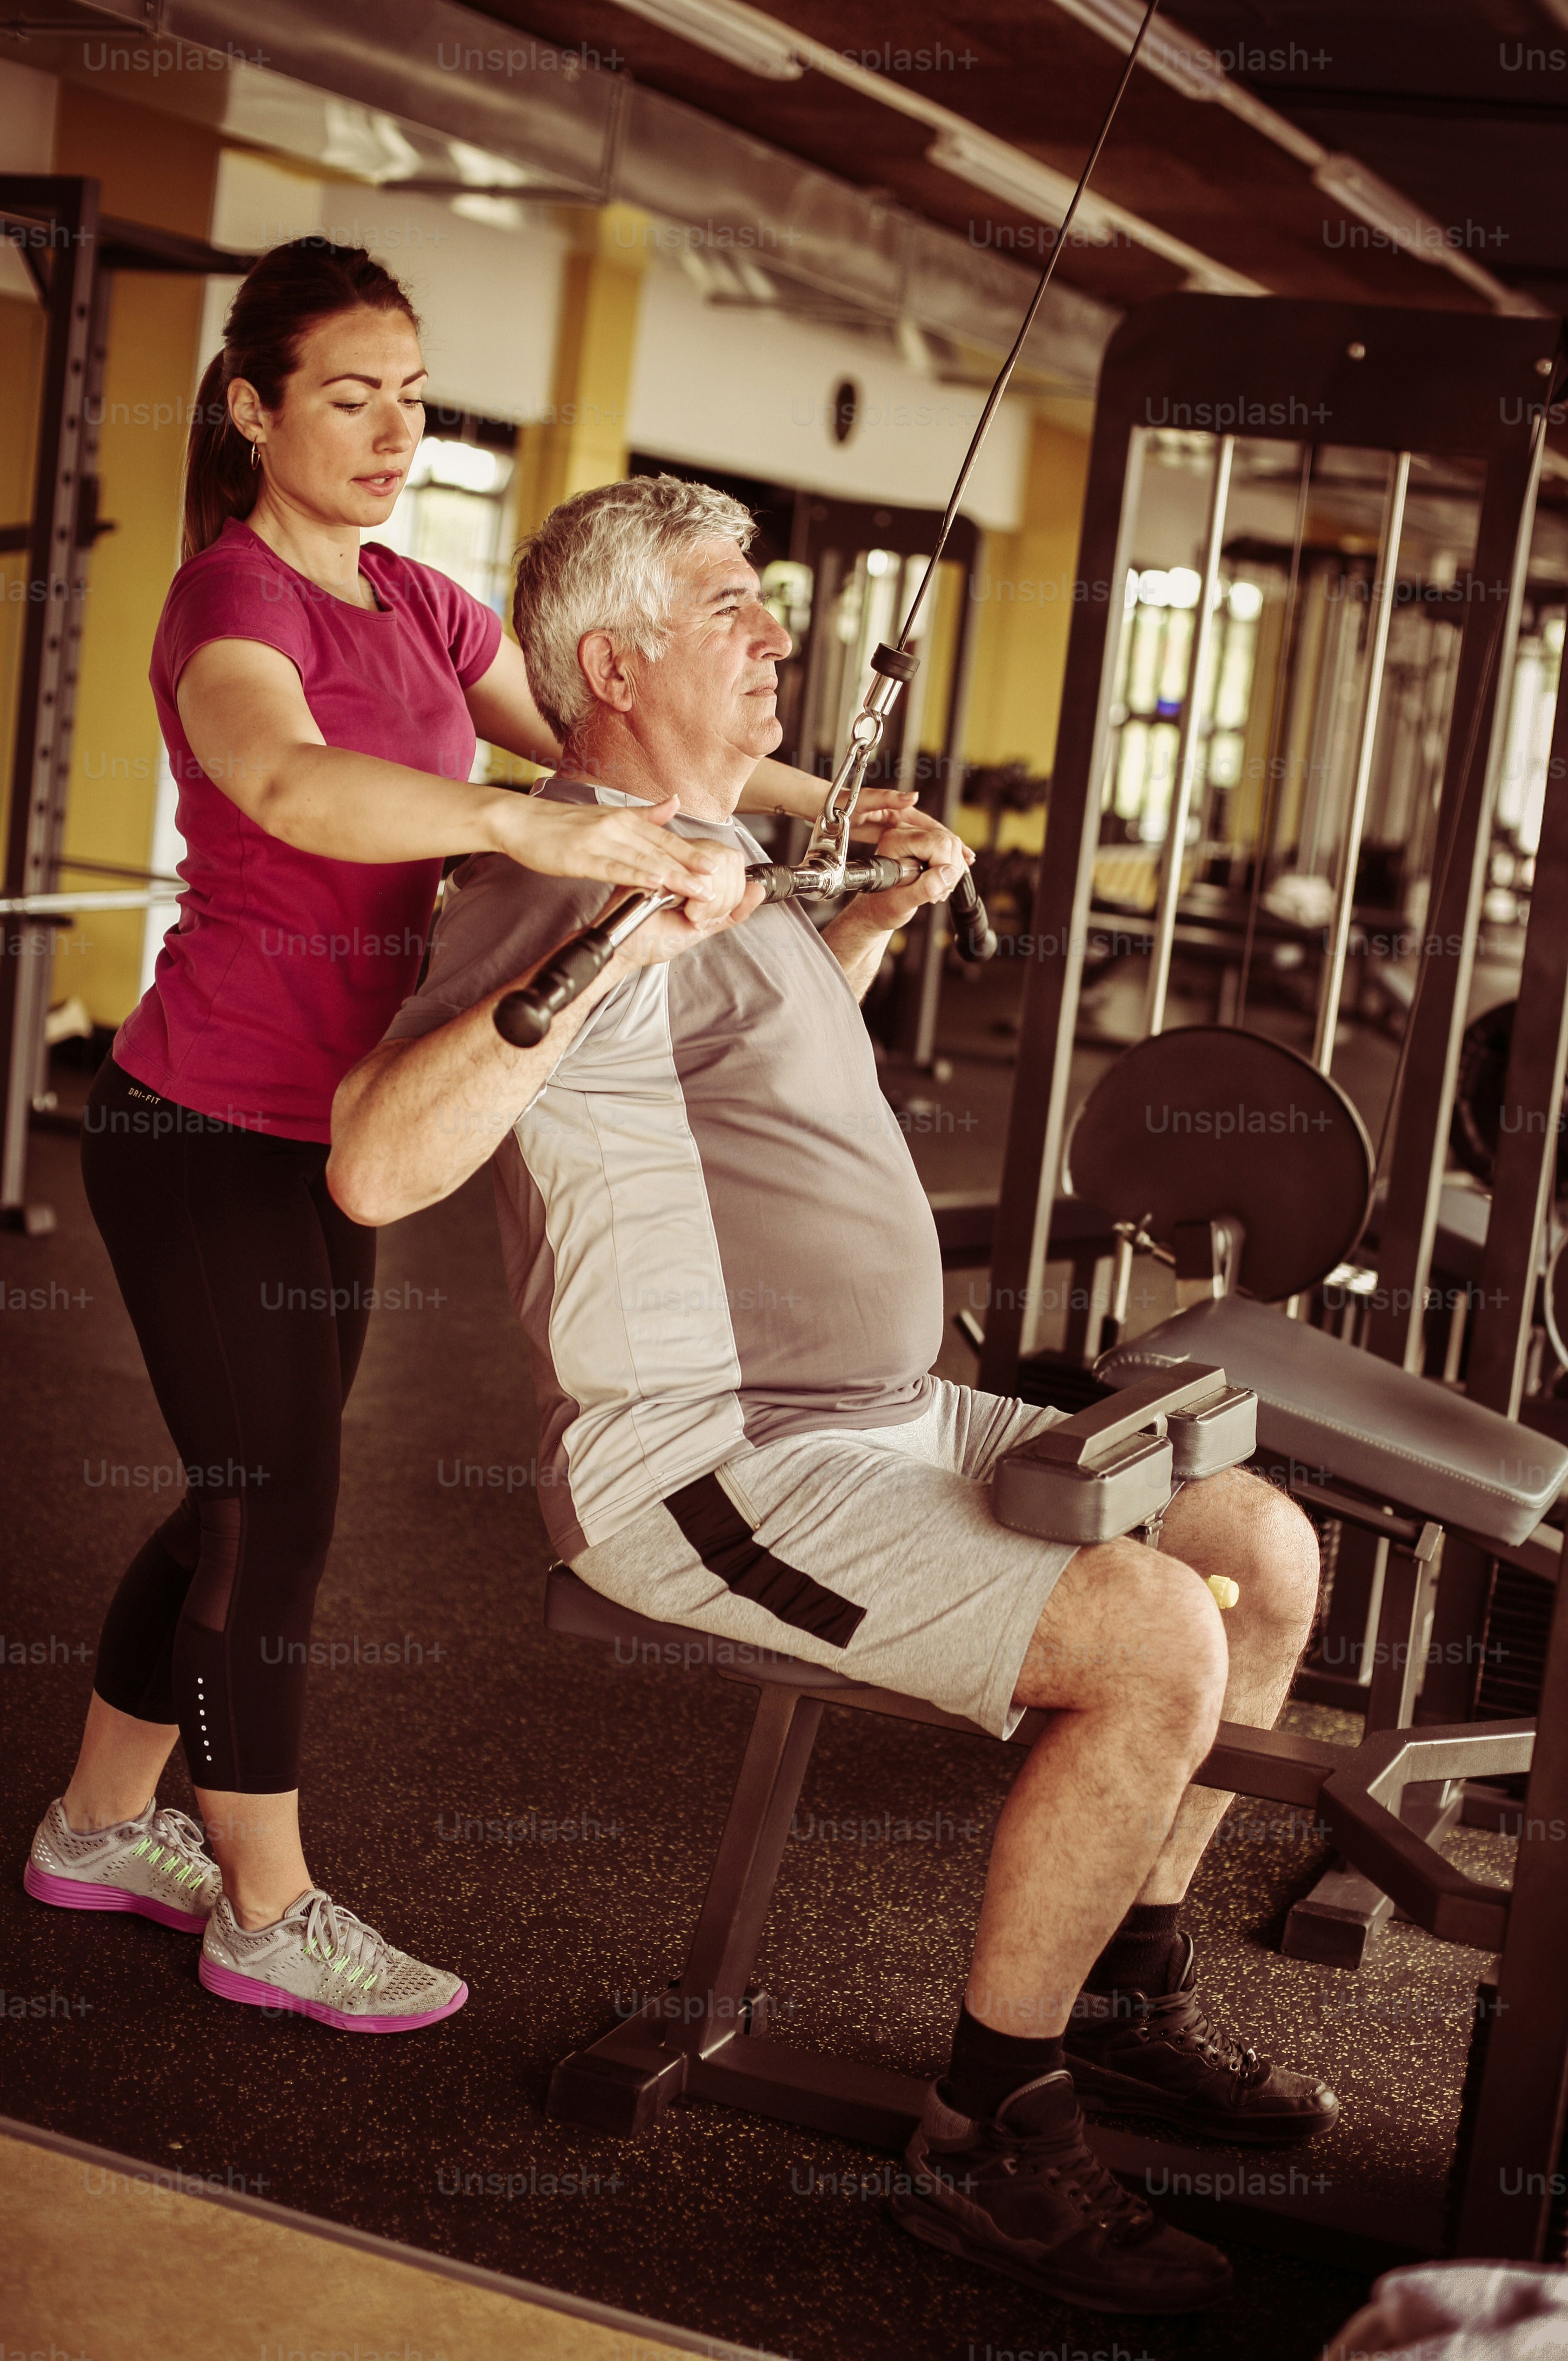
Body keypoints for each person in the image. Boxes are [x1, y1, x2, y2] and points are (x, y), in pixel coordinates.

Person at [328, 469, 1335, 2306]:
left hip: (896, 1411)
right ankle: (992, 2134)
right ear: (613, 663)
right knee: (1150, 1640)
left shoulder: (724, 858)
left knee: (1257, 1550)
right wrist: (609, 936)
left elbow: (731, 1097)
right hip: (719, 1466)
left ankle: (1124, 1997)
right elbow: (379, 1166)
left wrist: (856, 929)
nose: (775, 631)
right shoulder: (553, 872)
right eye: (730, 603)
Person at [24, 241, 880, 2035]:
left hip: (333, 1135)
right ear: (252, 409)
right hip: (200, 1127)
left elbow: (607, 731)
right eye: (350, 397)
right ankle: (267, 1911)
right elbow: (285, 780)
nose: (392, 432)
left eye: (413, 399)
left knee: (234, 1491)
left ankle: (98, 1825)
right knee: (277, 1509)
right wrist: (527, 829)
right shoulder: (232, 599)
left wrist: (838, 807)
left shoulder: (420, 603)